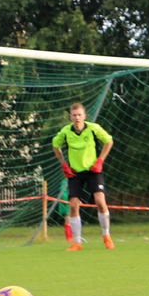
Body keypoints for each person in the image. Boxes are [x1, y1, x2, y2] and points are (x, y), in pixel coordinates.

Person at [52, 103, 115, 250]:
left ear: (84, 116)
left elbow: (109, 141)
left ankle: (106, 236)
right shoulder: (66, 132)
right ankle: (77, 242)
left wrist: (100, 161)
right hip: (75, 172)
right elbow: (55, 146)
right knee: (73, 205)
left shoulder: (93, 128)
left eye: (79, 115)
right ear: (70, 117)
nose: (77, 118)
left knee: (100, 201)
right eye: (74, 115)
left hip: (93, 170)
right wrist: (63, 164)